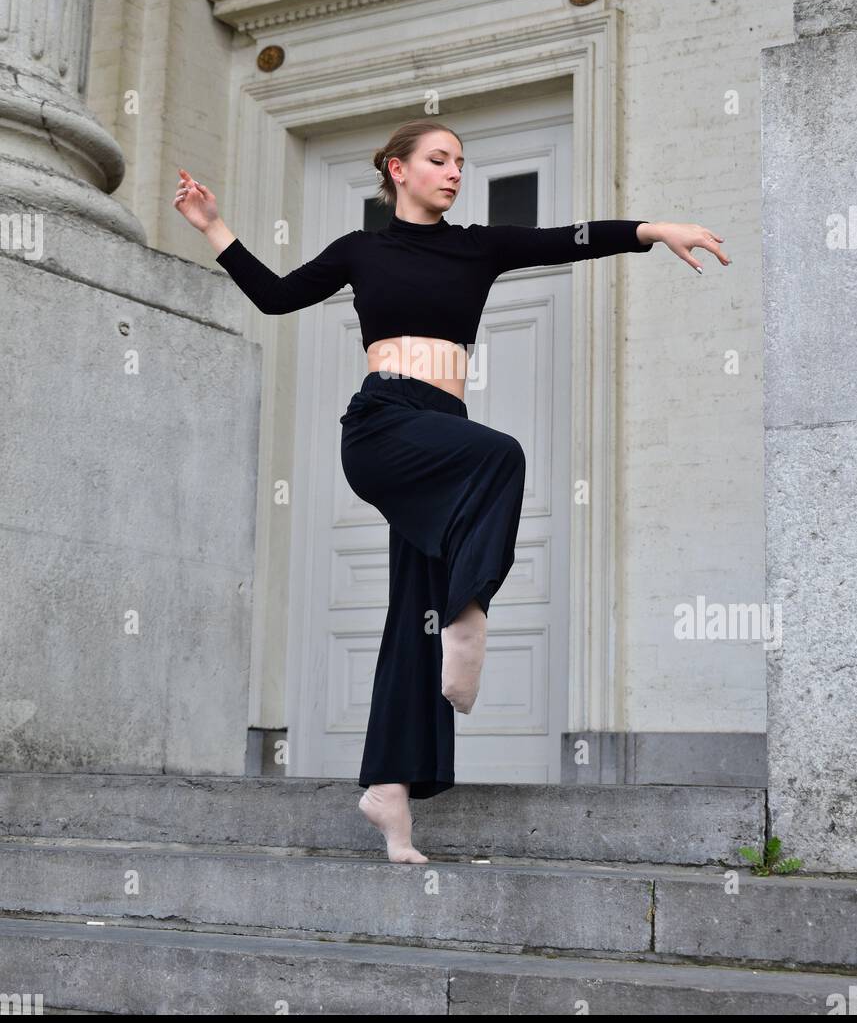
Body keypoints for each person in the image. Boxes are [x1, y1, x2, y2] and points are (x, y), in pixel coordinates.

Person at [174, 120, 730, 862]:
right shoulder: (360, 250)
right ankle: (471, 611)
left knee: (415, 615)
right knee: (502, 456)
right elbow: (276, 297)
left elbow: (567, 238)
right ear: (397, 170)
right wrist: (215, 227)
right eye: (438, 160)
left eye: (461, 162)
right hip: (383, 426)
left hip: (442, 430)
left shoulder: (479, 245)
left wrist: (654, 229)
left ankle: (389, 796)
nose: (455, 172)